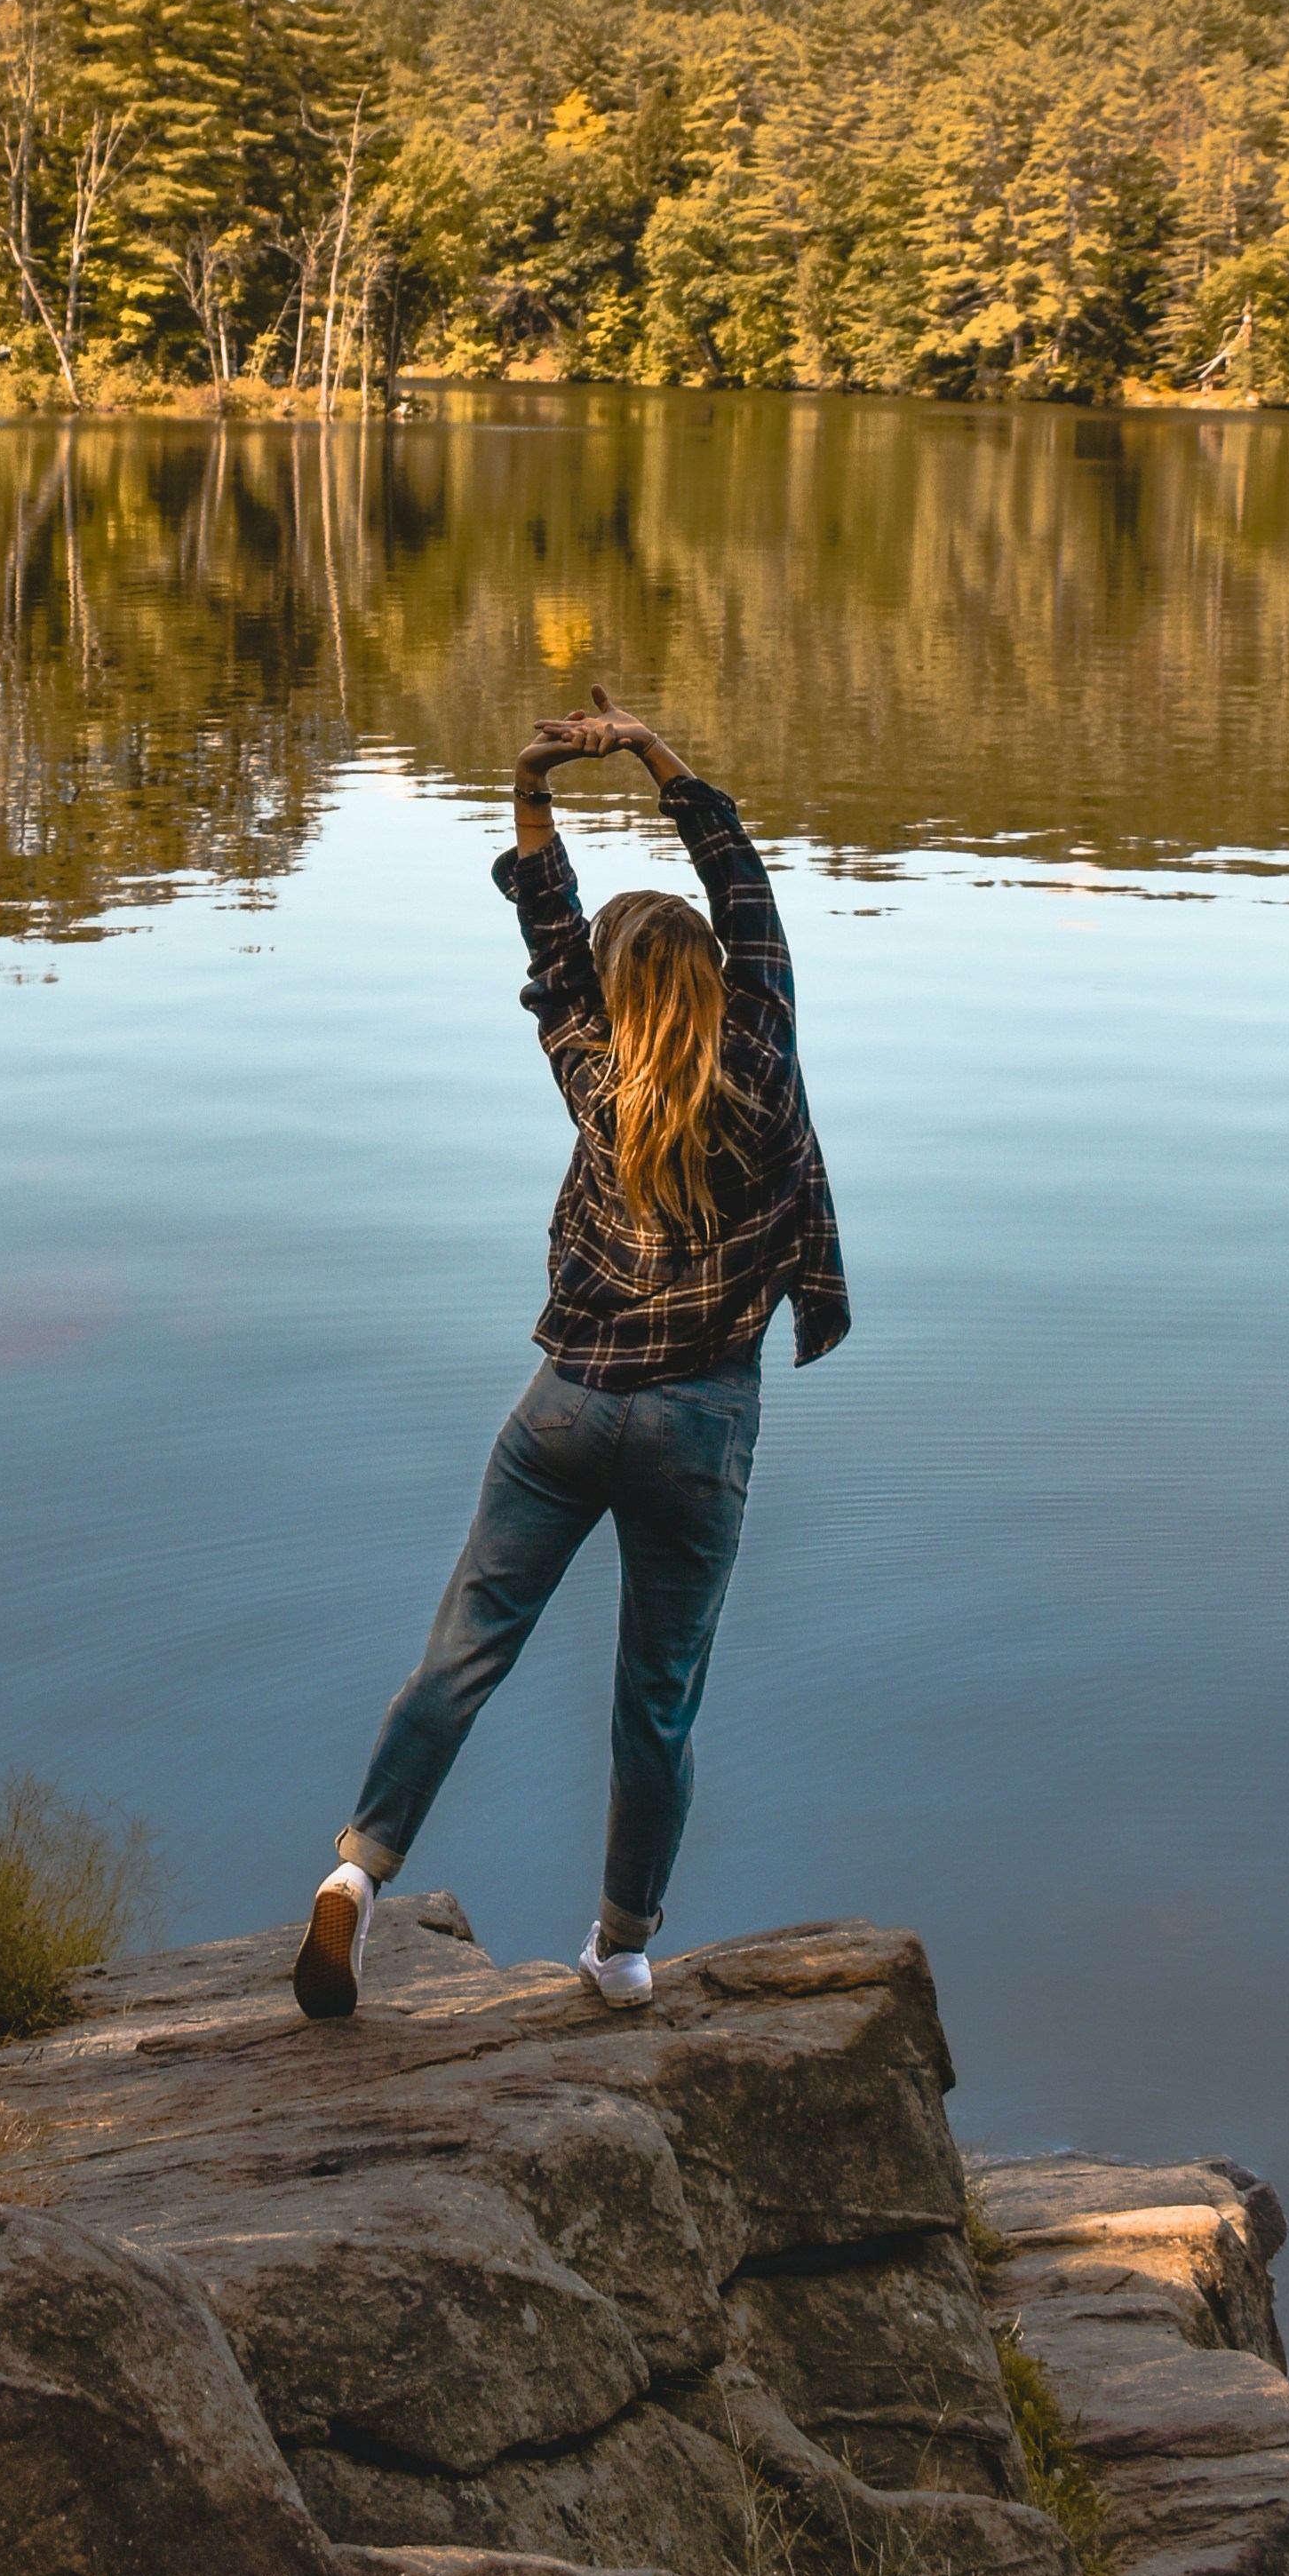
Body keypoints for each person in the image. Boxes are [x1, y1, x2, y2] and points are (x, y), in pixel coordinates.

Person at [291, 683, 849, 2023]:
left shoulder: (589, 1070)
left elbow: (549, 927)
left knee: (459, 1655)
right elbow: (744, 884)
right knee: (654, 1703)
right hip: (699, 1424)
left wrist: (534, 783)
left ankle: (359, 1876)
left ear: (605, 993)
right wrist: (656, 750)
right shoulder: (760, 1049)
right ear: (718, 977)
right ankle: (620, 1946)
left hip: (567, 1406)